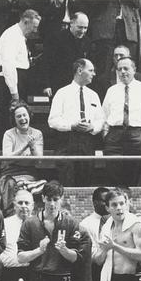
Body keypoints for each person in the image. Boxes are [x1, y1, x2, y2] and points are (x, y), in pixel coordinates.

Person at [101, 56, 141, 187]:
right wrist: (106, 135)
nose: (122, 72)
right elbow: (104, 116)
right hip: (114, 136)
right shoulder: (111, 91)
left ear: (134, 70)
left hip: (137, 135)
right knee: (114, 173)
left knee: (136, 175)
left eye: (126, 68)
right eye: (119, 69)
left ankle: (134, 204)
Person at [47, 58, 104, 188]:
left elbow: (101, 120)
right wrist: (71, 125)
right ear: (79, 71)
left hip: (87, 141)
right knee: (67, 181)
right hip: (67, 141)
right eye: (90, 70)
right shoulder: (62, 93)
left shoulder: (93, 95)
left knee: (86, 181)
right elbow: (53, 120)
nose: (93, 74)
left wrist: (92, 127)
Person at [0, 8, 42, 117]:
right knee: (10, 121)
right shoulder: (11, 36)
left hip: (18, 81)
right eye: (34, 27)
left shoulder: (19, 36)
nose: (35, 31)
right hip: (9, 84)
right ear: (25, 22)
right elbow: (8, 66)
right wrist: (15, 94)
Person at [42, 11, 91, 97]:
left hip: (79, 86)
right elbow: (46, 63)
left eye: (85, 28)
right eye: (80, 27)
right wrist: (46, 85)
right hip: (59, 84)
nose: (82, 31)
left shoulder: (87, 42)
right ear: (71, 24)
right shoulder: (56, 38)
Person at [1, 101, 44, 189]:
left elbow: (39, 161)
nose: (22, 118)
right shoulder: (8, 134)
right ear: (14, 119)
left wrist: (32, 146)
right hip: (10, 171)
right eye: (19, 116)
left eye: (25, 115)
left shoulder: (37, 133)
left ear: (29, 116)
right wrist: (24, 146)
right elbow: (7, 158)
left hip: (29, 171)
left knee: (25, 185)